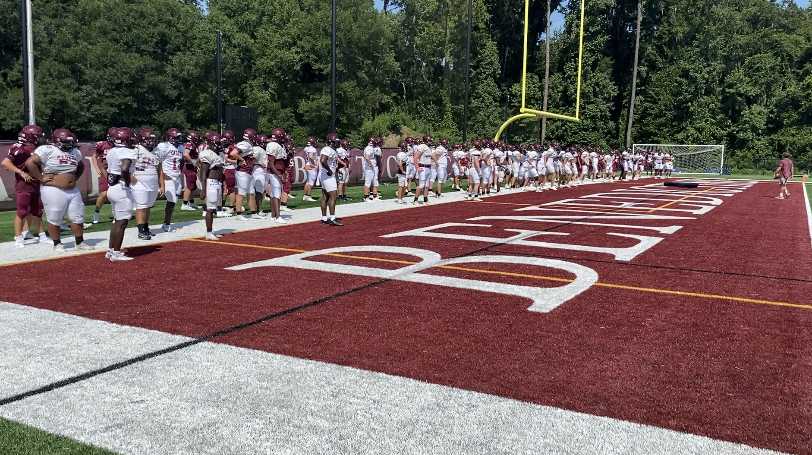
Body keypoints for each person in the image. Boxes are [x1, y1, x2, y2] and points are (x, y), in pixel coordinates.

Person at [25, 129, 91, 253]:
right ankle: (57, 243)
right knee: (54, 217)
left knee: (78, 216)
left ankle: (80, 242)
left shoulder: (75, 152)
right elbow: (30, 163)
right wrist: (41, 178)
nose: (69, 144)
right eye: (66, 142)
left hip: (73, 190)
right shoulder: (47, 149)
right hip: (53, 189)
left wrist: (75, 177)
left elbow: (81, 166)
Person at [2, 124, 45, 248]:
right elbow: (5, 163)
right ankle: (18, 237)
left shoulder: (38, 148)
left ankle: (40, 235)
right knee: (22, 211)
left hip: (35, 183)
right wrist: (21, 172)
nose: (40, 138)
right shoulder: (19, 148)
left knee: (37, 211)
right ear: (31, 137)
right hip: (23, 185)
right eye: (37, 136)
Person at [105, 128, 138, 261]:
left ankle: (111, 250)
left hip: (112, 188)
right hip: (122, 188)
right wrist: (129, 181)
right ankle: (116, 253)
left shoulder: (112, 150)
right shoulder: (128, 151)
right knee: (122, 221)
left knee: (116, 221)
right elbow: (124, 168)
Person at [132, 128, 160, 240]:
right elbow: (126, 165)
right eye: (149, 139)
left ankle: (146, 227)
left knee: (148, 206)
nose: (152, 141)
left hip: (152, 181)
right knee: (141, 206)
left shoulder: (156, 151)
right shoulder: (136, 149)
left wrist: (160, 183)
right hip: (140, 181)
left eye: (153, 139)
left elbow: (159, 167)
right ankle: (141, 230)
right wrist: (131, 178)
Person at [155, 128, 184, 232]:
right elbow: (158, 163)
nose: (179, 139)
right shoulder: (164, 146)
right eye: (177, 137)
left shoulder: (180, 147)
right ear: (170, 138)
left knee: (173, 202)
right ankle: (166, 224)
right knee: (171, 201)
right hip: (168, 177)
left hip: (177, 177)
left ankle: (166, 223)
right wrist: (161, 180)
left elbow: (181, 163)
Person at [92, 127, 116, 224]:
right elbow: (94, 156)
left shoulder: (119, 146)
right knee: (104, 194)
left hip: (116, 171)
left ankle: (116, 215)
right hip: (105, 171)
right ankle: (96, 212)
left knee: (116, 193)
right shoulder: (102, 145)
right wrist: (97, 169)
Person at [319, 133, 343, 226]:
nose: (338, 143)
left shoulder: (331, 150)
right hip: (328, 175)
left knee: (325, 197)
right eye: (336, 142)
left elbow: (330, 163)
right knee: (333, 196)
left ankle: (324, 218)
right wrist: (329, 170)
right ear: (331, 142)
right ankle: (332, 218)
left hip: (326, 175)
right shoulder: (327, 149)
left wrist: (336, 170)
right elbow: (322, 161)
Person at [265, 128, 288, 223]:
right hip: (274, 172)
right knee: (277, 194)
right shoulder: (273, 145)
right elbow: (271, 163)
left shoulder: (277, 145)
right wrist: (279, 174)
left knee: (274, 194)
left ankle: (273, 216)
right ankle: (278, 217)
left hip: (276, 172)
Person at [302, 136, 319, 201]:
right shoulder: (312, 149)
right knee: (311, 183)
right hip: (311, 165)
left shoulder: (306, 148)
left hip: (307, 164)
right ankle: (308, 196)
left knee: (308, 182)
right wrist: (316, 159)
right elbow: (310, 156)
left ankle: (305, 196)